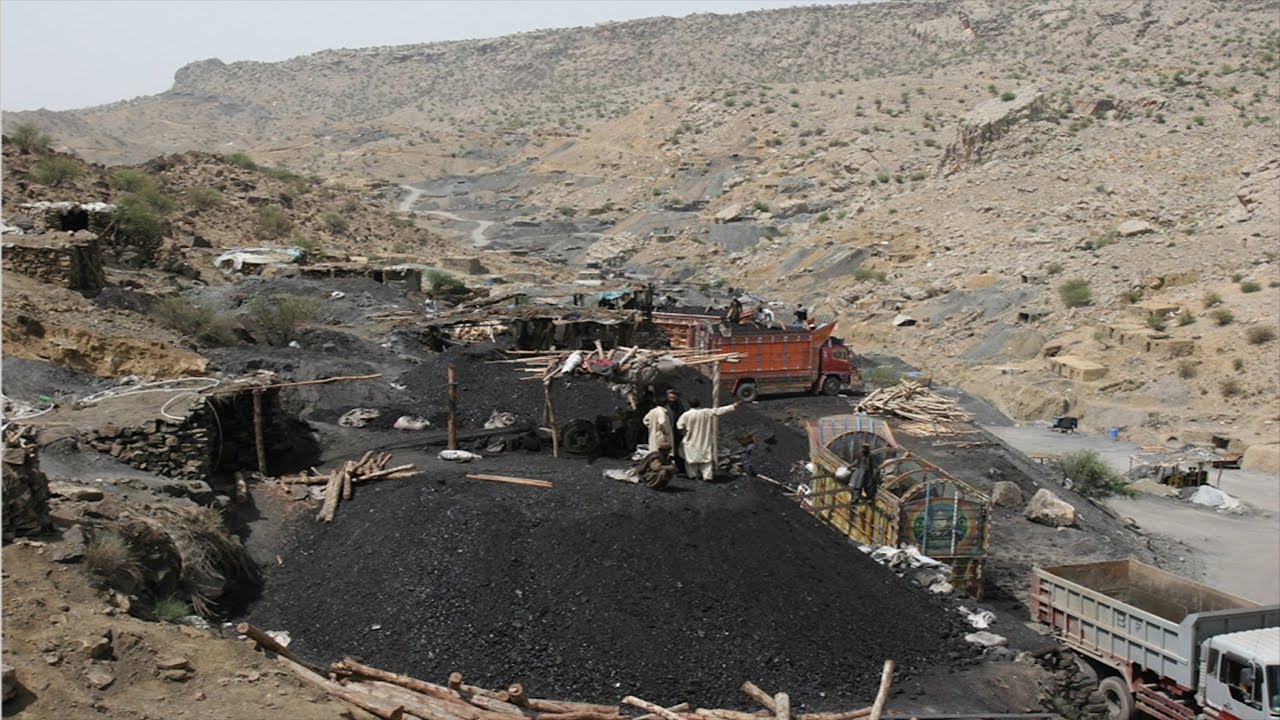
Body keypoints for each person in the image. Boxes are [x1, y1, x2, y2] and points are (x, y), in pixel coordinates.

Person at [676, 398, 742, 481]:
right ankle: (706, 477)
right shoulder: (705, 412)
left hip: (691, 440)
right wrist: (732, 406)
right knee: (706, 460)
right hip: (704, 440)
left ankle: (693, 476)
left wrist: (684, 432)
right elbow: (718, 411)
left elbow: (679, 426)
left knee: (690, 459)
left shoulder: (686, 415)